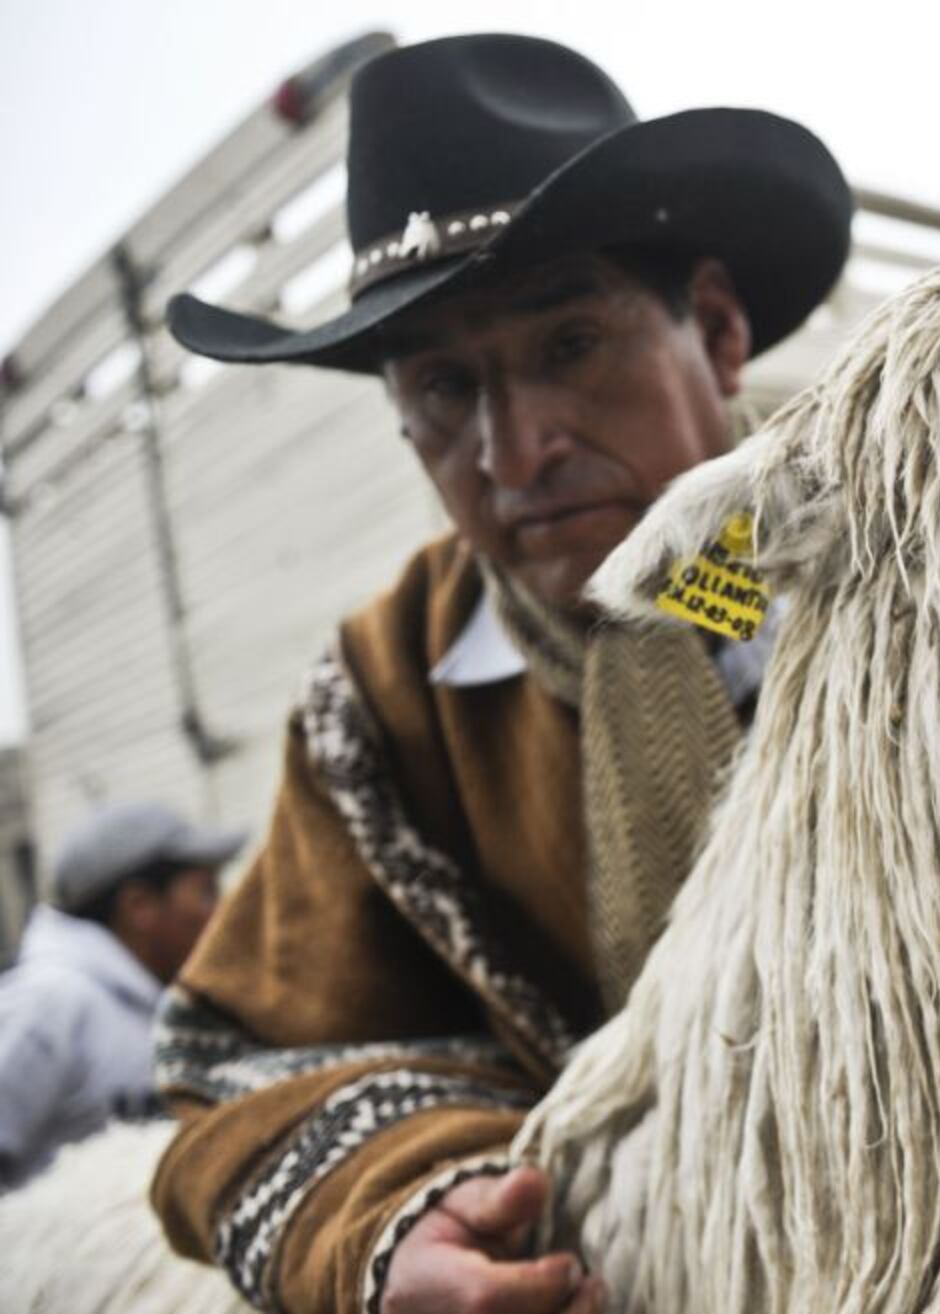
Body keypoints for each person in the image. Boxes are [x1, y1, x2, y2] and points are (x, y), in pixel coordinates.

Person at [150, 33, 852, 1314]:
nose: (516, 451)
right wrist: (402, 1214)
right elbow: (242, 1060)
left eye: (571, 343)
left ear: (715, 327)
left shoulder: (928, 559)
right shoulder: (385, 697)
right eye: (441, 389)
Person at [0, 801, 239, 1189]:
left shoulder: (165, 1009)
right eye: (206, 892)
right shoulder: (47, 1004)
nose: (223, 911)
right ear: (139, 906)